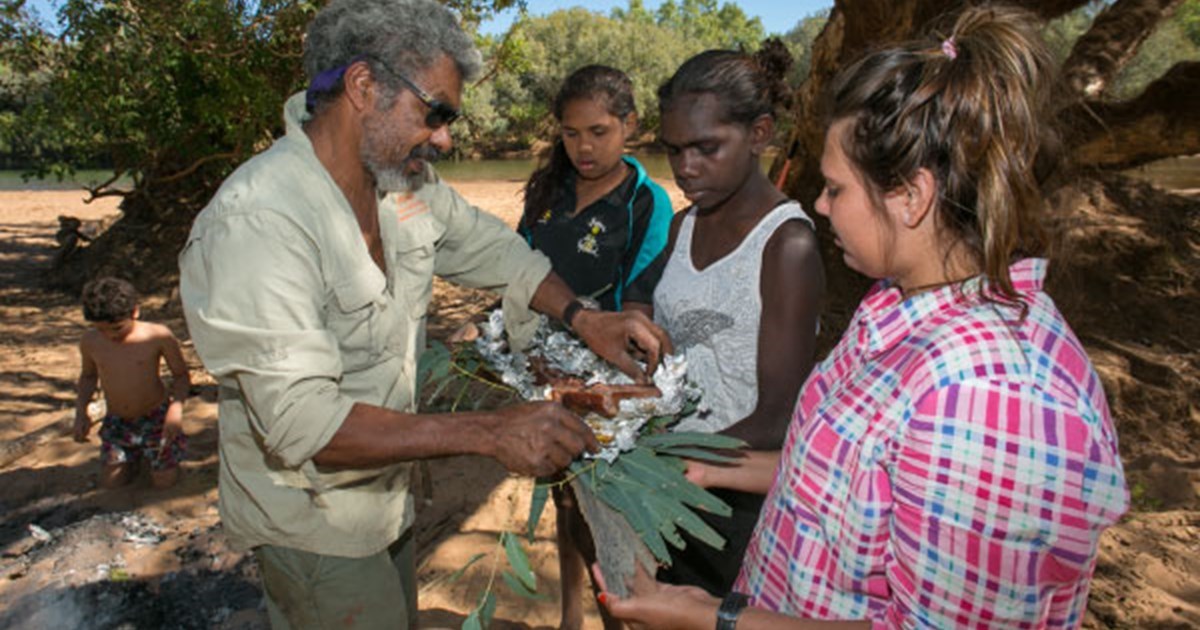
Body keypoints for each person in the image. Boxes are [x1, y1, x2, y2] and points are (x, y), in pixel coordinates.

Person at [595, 5, 1129, 629]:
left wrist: (713, 616)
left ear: (911, 196)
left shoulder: (990, 397)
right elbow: (845, 473)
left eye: (836, 188)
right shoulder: (896, 307)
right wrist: (707, 467)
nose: (820, 207)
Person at [177, 1, 670, 628]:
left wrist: (581, 318)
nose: (444, 139)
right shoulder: (259, 221)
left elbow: (499, 252)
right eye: (435, 113)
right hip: (315, 522)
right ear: (363, 86)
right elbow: (305, 425)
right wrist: (489, 433)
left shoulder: (402, 182)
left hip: (386, 497)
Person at [650, 43, 825, 597]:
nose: (685, 168)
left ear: (759, 134)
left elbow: (777, 417)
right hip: (671, 485)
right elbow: (645, 303)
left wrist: (662, 462)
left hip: (739, 506)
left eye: (707, 148)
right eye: (674, 150)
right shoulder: (683, 227)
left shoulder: (786, 246)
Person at [515, 63, 675, 630]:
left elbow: (639, 303)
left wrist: (612, 377)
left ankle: (616, 616)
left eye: (599, 132)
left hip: (607, 384)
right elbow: (517, 271)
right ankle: (569, 617)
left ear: (630, 125)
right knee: (562, 497)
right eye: (571, 133)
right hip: (542, 373)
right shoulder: (549, 192)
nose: (583, 147)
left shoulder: (645, 203)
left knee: (605, 511)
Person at [74, 276, 189, 490]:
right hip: (117, 422)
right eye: (101, 329)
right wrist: (81, 411)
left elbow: (181, 376)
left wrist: (176, 410)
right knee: (112, 483)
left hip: (156, 419)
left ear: (135, 311)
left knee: (164, 481)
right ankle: (133, 458)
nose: (110, 335)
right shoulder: (91, 341)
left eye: (117, 328)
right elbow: (88, 376)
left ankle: (154, 459)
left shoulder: (158, 335)